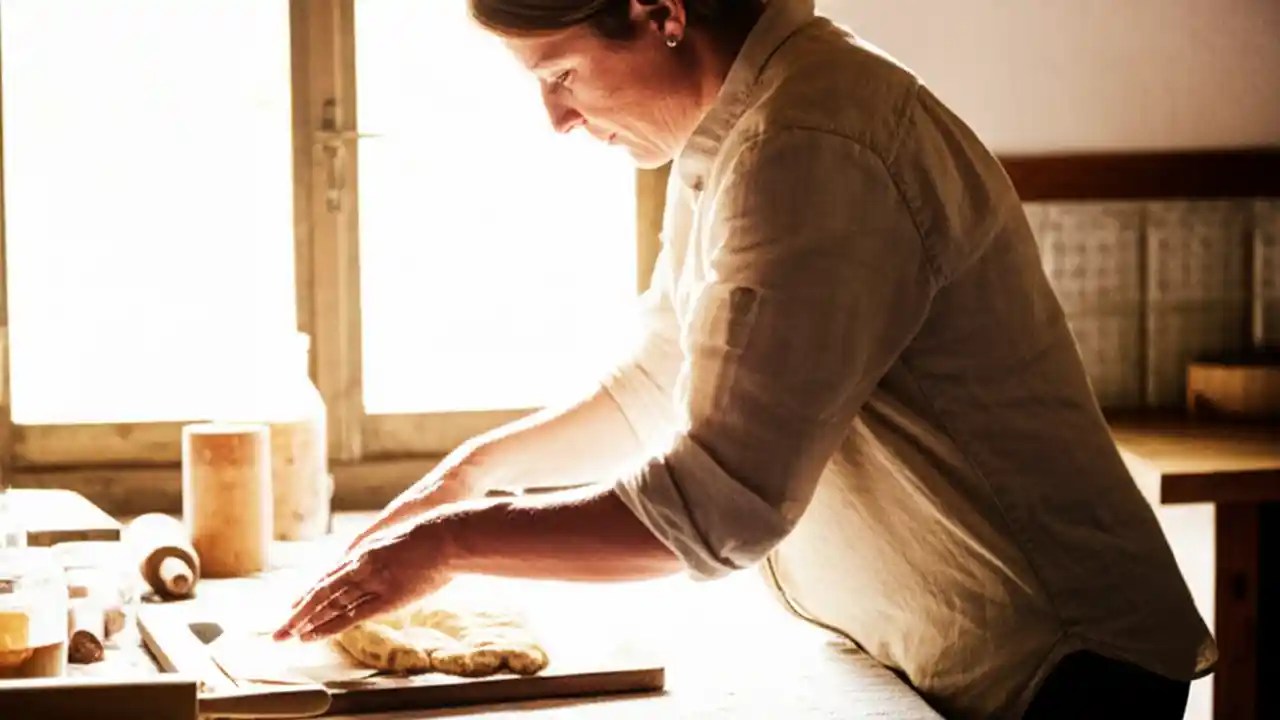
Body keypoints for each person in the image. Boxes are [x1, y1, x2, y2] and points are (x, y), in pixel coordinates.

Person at [274, 1, 1216, 717]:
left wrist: (453, 542)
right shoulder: (737, 125)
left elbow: (718, 507)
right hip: (954, 642)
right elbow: (657, 382)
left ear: (661, 11)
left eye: (560, 74)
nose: (556, 120)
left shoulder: (809, 144)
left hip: (1067, 666)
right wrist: (466, 478)